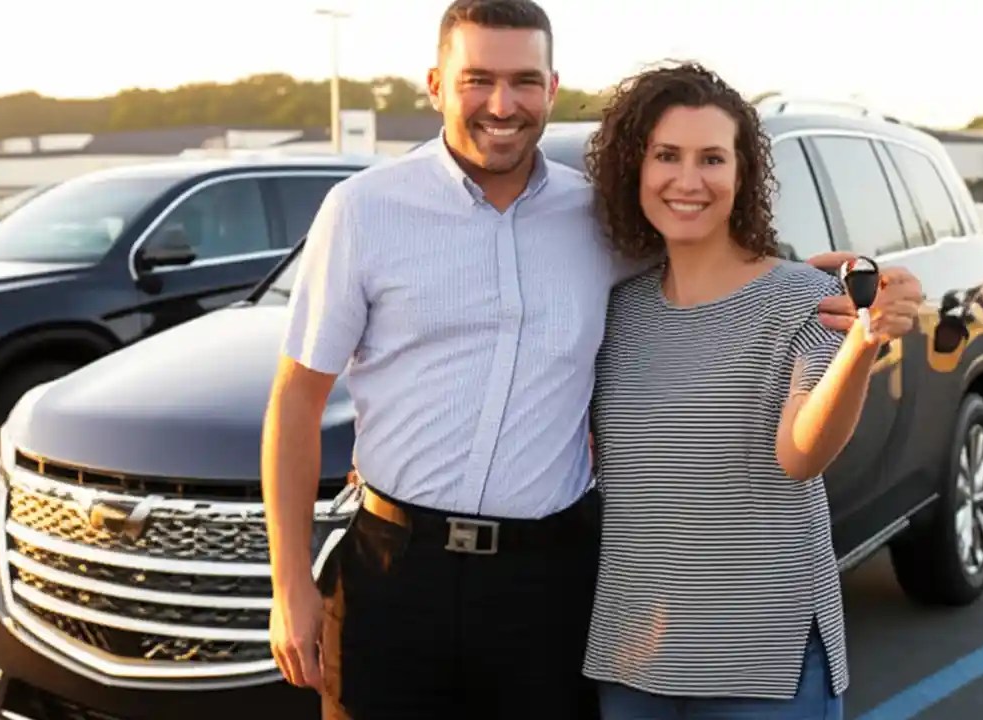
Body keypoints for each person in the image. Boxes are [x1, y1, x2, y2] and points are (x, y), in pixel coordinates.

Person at [260, 1, 915, 718]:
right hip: (394, 573)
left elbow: (704, 252)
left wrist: (820, 280)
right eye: (478, 78)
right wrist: (289, 583)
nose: (502, 104)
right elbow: (297, 398)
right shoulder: (362, 211)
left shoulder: (596, 219)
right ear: (436, 83)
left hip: (546, 585)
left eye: (525, 80)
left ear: (552, 85)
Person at [578, 63, 923, 719]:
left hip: (767, 663)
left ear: (743, 175)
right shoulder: (614, 312)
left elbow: (800, 453)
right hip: (632, 660)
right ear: (635, 170)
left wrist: (862, 343)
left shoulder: (805, 299)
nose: (688, 180)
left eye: (712, 158)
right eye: (667, 156)